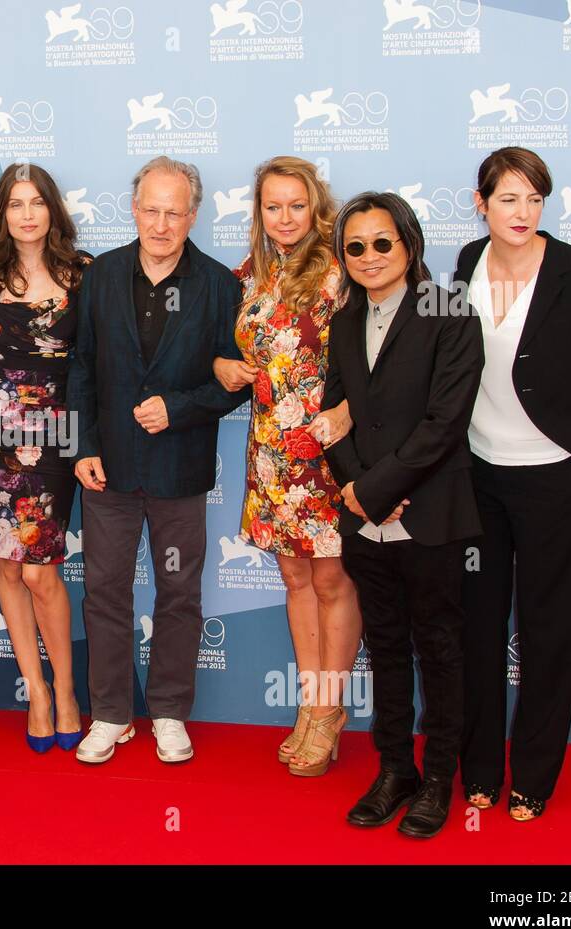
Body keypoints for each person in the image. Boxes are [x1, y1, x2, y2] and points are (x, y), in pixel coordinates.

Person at [455, 147, 571, 822]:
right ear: (482, 203)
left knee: (548, 630)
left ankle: (533, 775)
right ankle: (478, 768)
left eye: (534, 198)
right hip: (477, 478)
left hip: (555, 480)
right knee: (476, 627)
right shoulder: (467, 266)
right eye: (508, 198)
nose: (523, 212)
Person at [67, 155, 247, 765]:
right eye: (151, 209)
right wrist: (85, 445)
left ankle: (169, 712)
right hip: (108, 468)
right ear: (134, 207)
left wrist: (180, 407)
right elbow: (81, 366)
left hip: (179, 469)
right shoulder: (101, 276)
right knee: (104, 592)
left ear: (194, 216)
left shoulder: (222, 286)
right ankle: (111, 715)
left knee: (178, 592)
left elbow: (235, 380)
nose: (162, 224)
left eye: (175, 212)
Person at [323, 192, 484, 838]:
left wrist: (383, 485)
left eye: (381, 242)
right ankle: (395, 768)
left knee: (439, 647)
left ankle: (439, 774)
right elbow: (334, 414)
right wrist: (357, 489)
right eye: (355, 246)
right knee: (385, 646)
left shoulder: (449, 313)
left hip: (430, 511)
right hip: (366, 516)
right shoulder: (343, 320)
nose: (368, 257)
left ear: (409, 244)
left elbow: (446, 421)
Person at [213, 156, 357, 777]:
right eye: (273, 206)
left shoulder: (341, 268)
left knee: (331, 582)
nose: (285, 217)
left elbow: (378, 352)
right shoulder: (252, 274)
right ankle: (307, 703)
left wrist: (349, 412)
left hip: (324, 451)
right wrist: (224, 366)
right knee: (297, 581)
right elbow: (231, 349)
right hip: (270, 452)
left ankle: (330, 710)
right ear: (260, 212)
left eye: (296, 205)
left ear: (316, 204)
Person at [0, 163, 90, 753]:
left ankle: (67, 688)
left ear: (52, 209)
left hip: (56, 426)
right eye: (15, 203)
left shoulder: (85, 274)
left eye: (37, 202)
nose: (27, 213)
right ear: (2, 213)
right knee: (8, 567)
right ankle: (35, 689)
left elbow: (98, 358)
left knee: (41, 569)